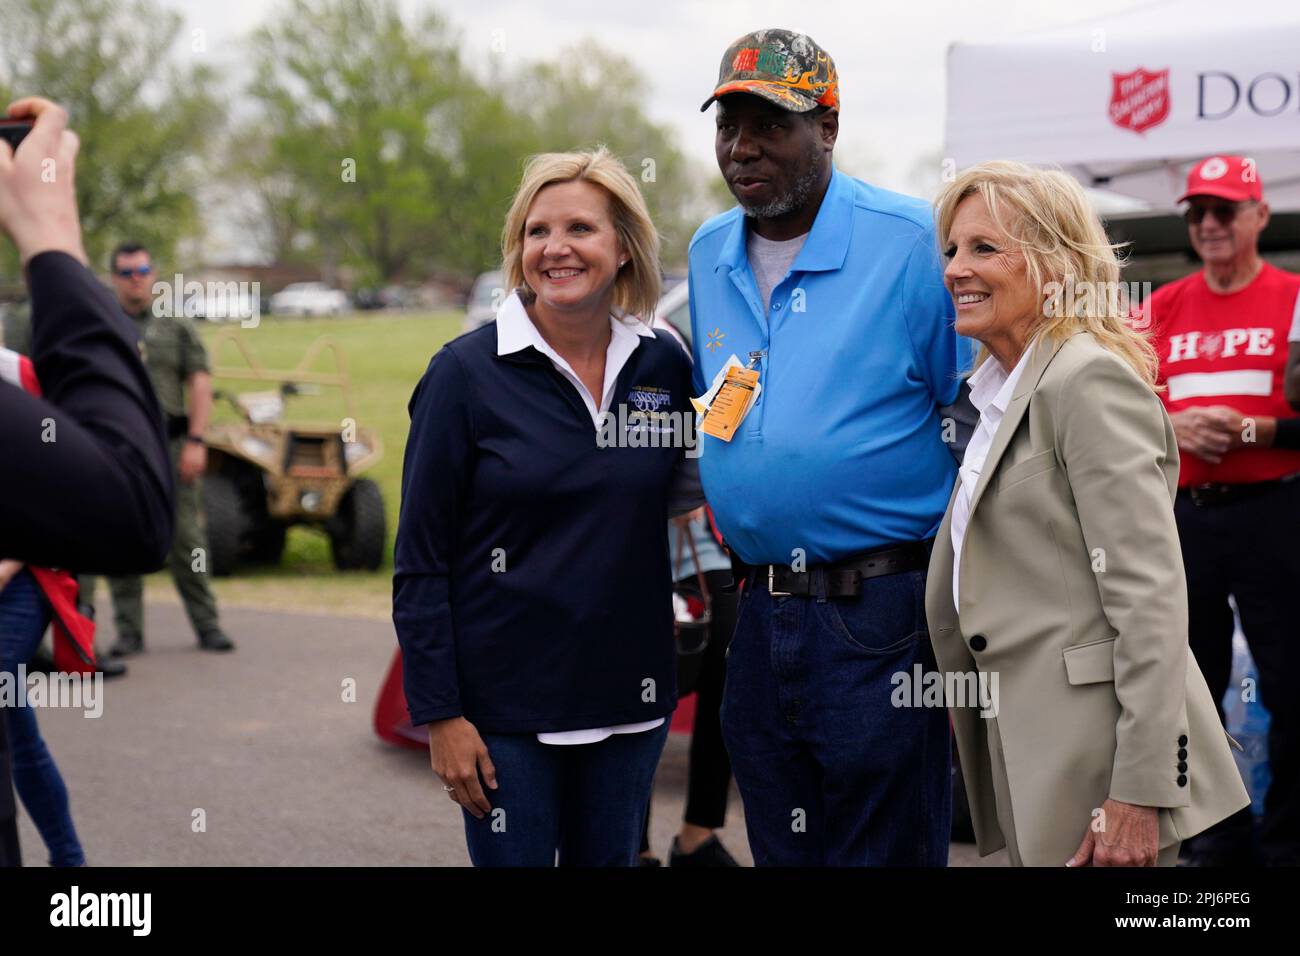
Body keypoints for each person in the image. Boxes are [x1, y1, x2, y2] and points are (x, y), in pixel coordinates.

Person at [689, 29, 964, 866]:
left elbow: (978, 416)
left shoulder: (915, 240)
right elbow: (726, 401)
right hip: (760, 610)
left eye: (771, 124)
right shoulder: (708, 253)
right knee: (785, 846)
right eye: (729, 125)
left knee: (883, 849)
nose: (743, 148)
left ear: (829, 127)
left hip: (879, 612)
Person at [924, 159, 1250, 867]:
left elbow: (1151, 599)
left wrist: (1137, 792)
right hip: (1027, 737)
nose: (955, 268)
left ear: (1054, 263)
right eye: (951, 249)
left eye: (984, 247)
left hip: (1096, 757)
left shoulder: (1085, 379)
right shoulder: (1000, 390)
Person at [393, 147, 703, 866]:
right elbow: (419, 562)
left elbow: (715, 465)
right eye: (537, 231)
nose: (555, 248)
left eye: (580, 230)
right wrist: (440, 714)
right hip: (504, 713)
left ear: (624, 248)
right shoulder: (462, 375)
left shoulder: (665, 361)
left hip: (631, 701)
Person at [0, 95, 174, 864]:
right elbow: (129, 502)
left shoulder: (15, 368)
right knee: (15, 726)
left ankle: (70, 863)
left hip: (20, 574)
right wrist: (50, 241)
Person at [1143, 156, 1300, 866]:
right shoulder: (1164, 304)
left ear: (1260, 215)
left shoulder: (1294, 295)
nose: (1208, 224)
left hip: (1274, 510)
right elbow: (1123, 408)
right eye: (1197, 212)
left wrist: (1247, 430)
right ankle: (1214, 841)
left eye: (1224, 210)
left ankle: (1286, 845)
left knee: (1289, 680)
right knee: (1187, 687)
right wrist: (1169, 427)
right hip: (1187, 515)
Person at [95, 242, 233, 656]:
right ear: (113, 277)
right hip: (119, 447)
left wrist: (196, 440)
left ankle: (207, 624)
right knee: (122, 536)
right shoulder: (102, 323)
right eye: (126, 272)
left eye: (142, 270)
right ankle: (129, 632)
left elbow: (200, 382)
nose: (136, 279)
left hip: (171, 443)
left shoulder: (176, 323)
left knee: (187, 539)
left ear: (152, 273)